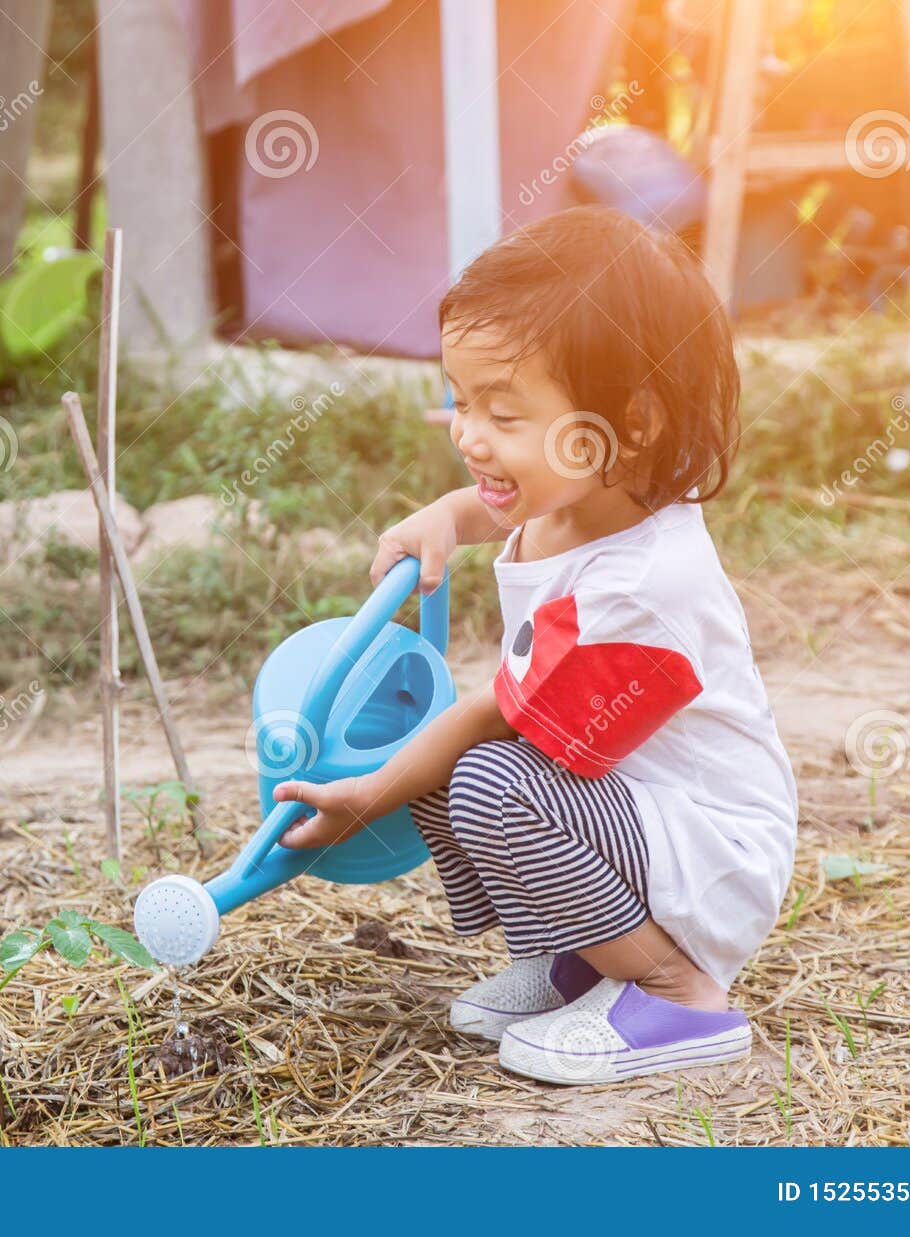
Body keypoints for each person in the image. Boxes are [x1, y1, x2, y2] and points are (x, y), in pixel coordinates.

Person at [273, 205, 797, 1085]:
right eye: (460, 400)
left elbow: (497, 717)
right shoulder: (593, 488)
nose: (470, 434)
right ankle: (580, 958)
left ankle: (675, 987)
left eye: (504, 413)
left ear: (626, 423)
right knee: (455, 757)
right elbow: (520, 501)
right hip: (628, 811)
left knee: (476, 770)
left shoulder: (641, 586)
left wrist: (372, 793)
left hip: (707, 852)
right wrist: (448, 513)